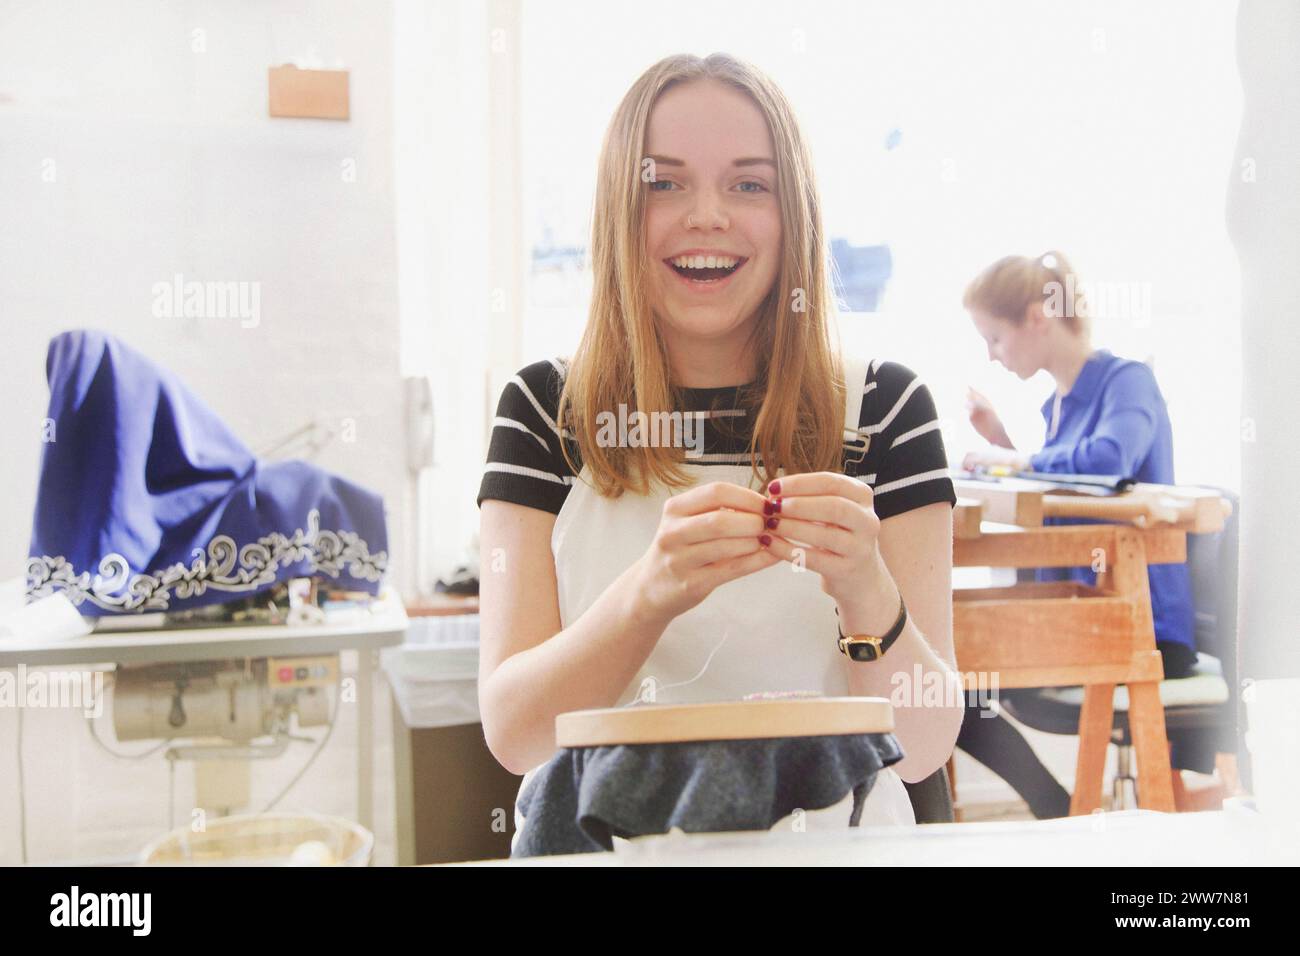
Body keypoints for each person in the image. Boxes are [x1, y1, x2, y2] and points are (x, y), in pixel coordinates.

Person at [476, 53, 962, 847]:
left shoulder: (884, 409)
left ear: (792, 213)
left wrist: (866, 587)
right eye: (662, 182)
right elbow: (517, 732)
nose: (706, 215)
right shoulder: (545, 412)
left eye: (749, 184)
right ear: (616, 209)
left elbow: (927, 746)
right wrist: (650, 592)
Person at [958, 251, 1198, 818]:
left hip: (1142, 622)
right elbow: (1070, 489)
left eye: (995, 338)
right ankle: (1058, 810)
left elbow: (1109, 460)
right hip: (1089, 608)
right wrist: (1008, 448)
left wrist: (1018, 462)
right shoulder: (1059, 407)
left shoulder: (1128, 382)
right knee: (947, 680)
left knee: (955, 688)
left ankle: (1056, 810)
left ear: (1038, 317)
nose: (992, 355)